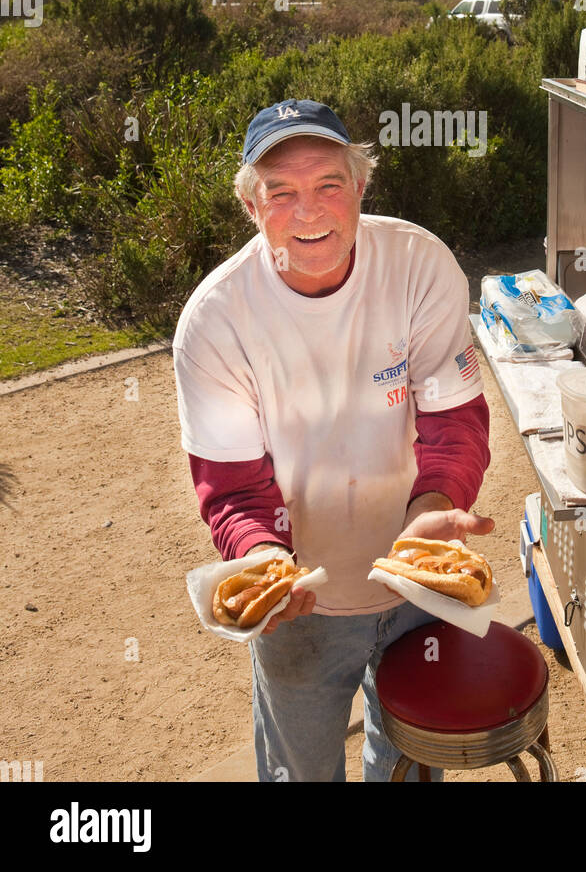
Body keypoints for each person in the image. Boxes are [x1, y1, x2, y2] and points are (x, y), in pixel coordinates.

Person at [173, 98, 493, 782]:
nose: (309, 212)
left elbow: (454, 423)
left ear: (360, 187)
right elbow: (232, 487)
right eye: (281, 193)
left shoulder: (418, 264)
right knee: (301, 774)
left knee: (410, 768)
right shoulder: (216, 320)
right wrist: (266, 562)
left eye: (328, 185)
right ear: (251, 209)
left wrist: (430, 517)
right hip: (302, 613)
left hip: (417, 582)